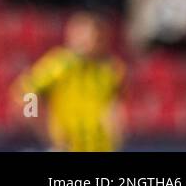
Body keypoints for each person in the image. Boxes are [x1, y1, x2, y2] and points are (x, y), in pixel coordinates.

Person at [13, 11, 125, 151]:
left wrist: (116, 134)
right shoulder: (60, 64)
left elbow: (113, 107)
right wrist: (43, 130)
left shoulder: (110, 69)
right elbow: (26, 92)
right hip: (69, 147)